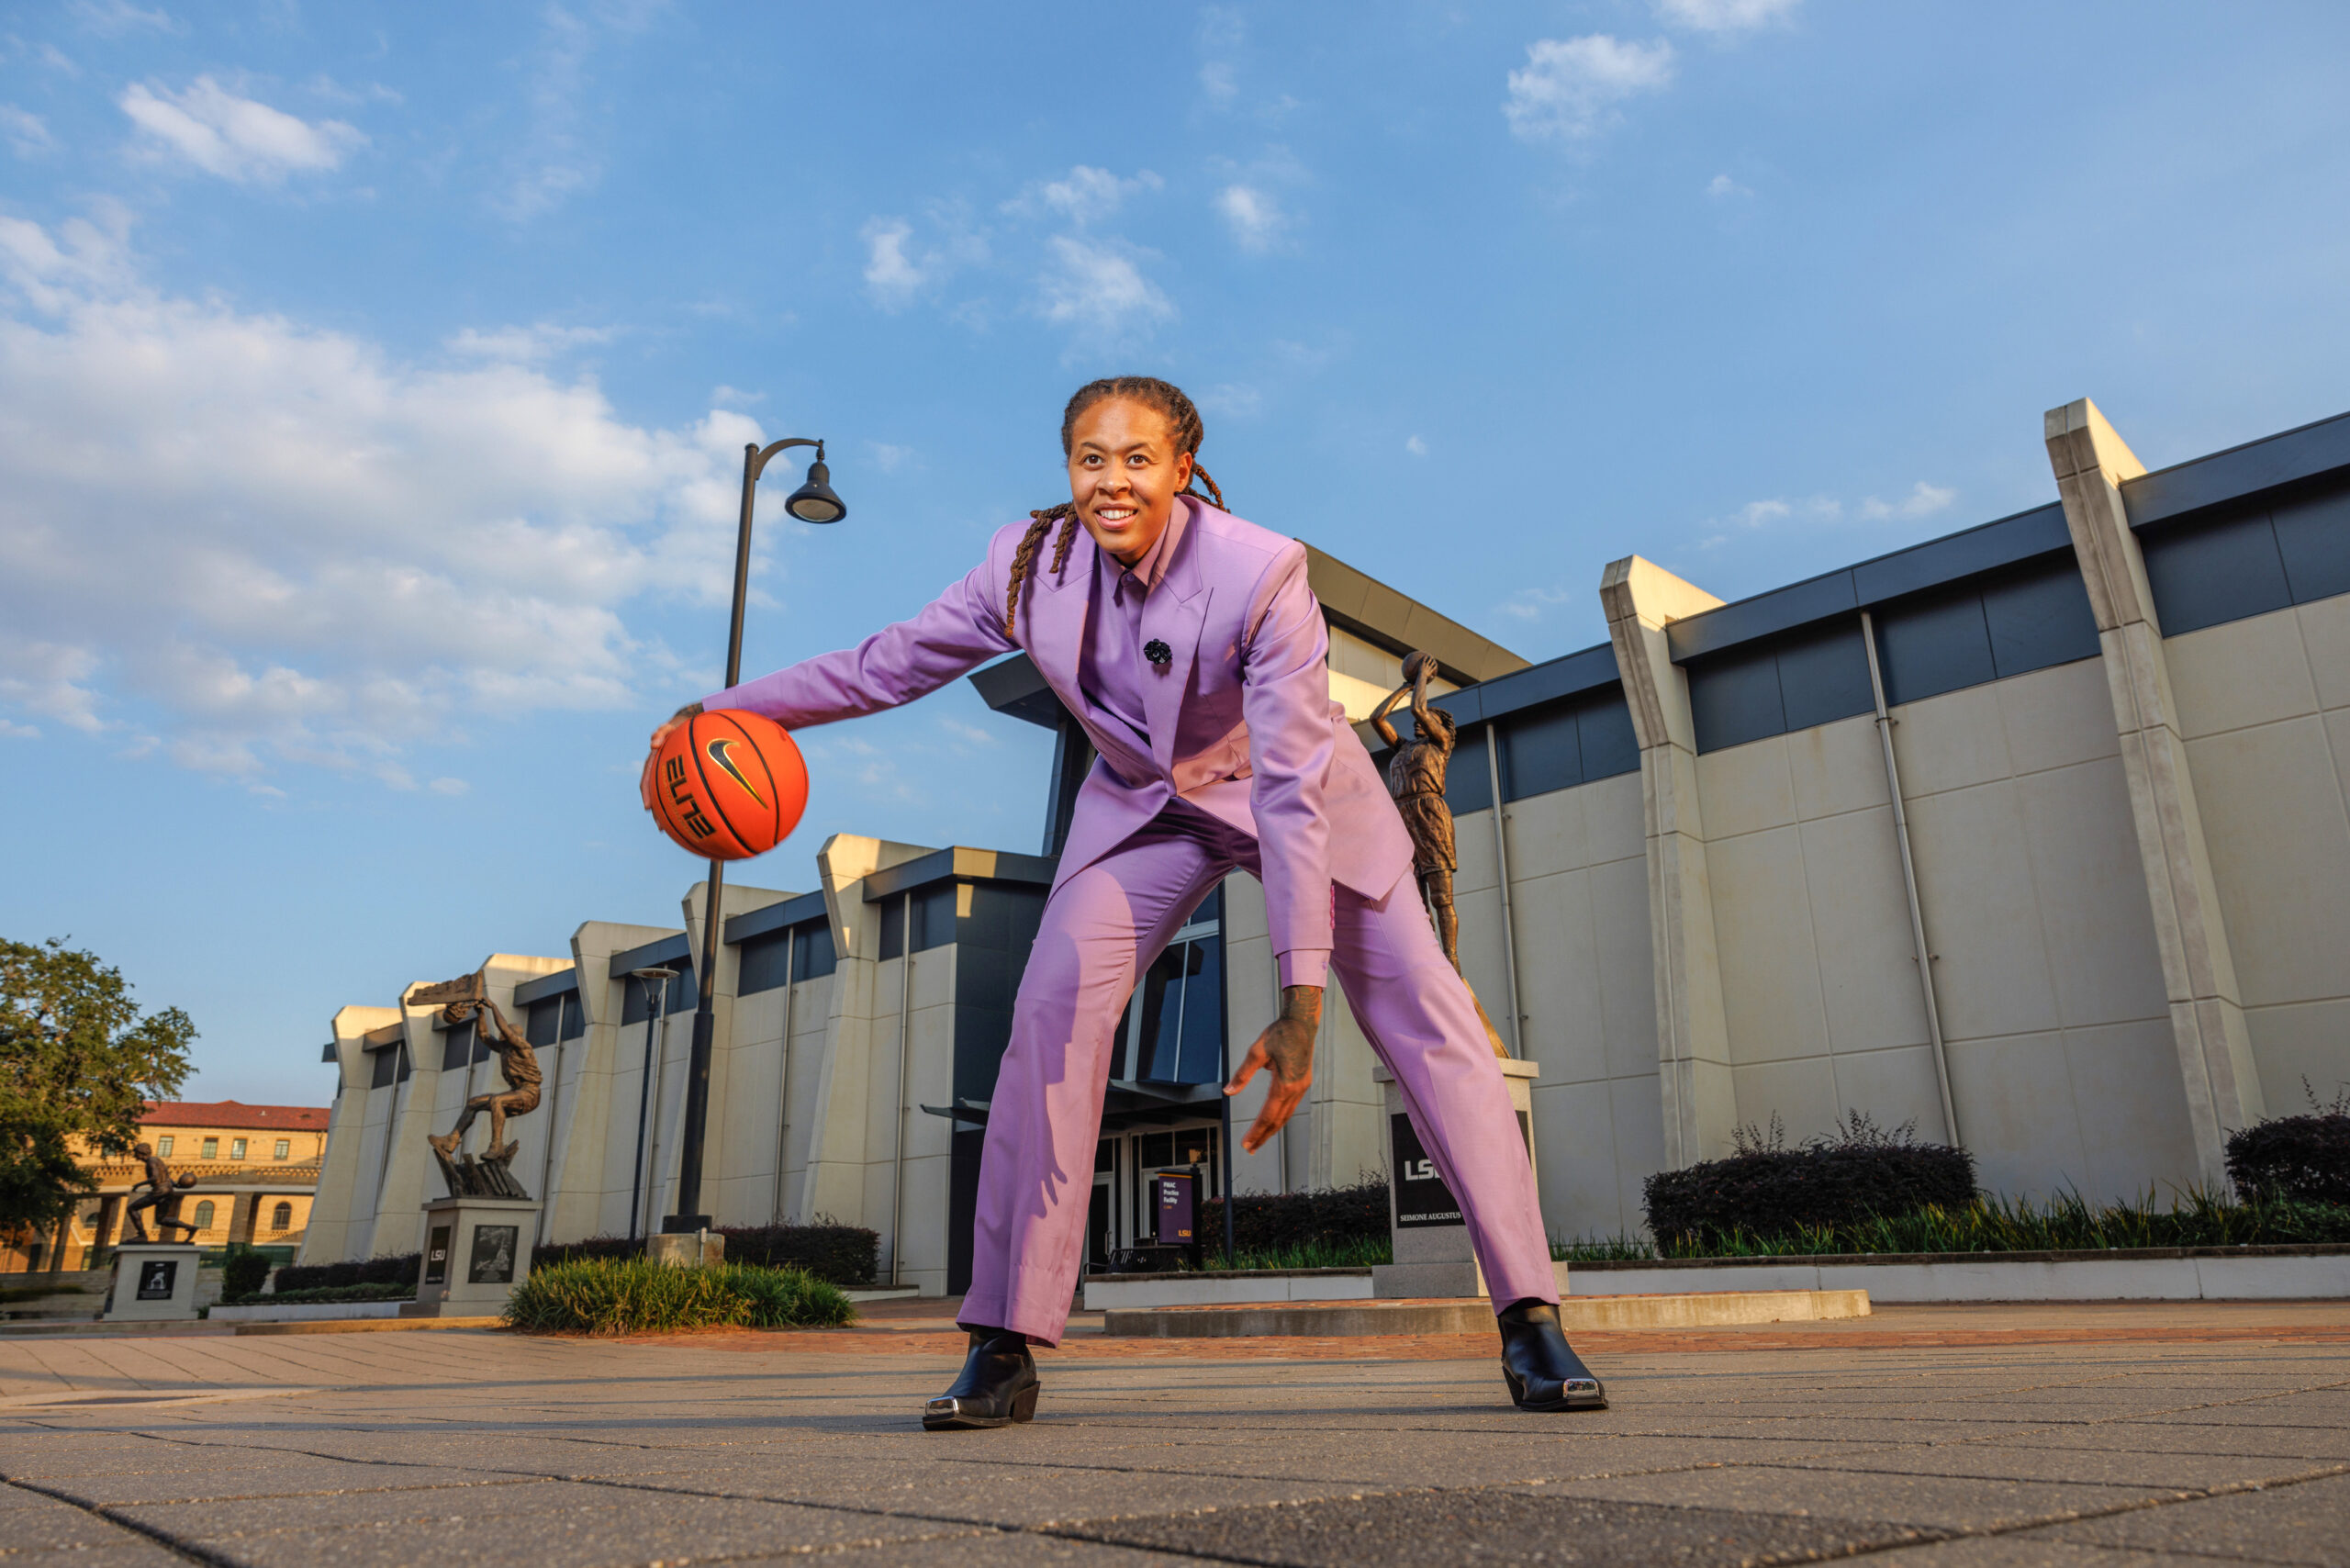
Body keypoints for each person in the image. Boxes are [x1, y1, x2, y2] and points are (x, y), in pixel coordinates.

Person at [643, 376, 1605, 1425]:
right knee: (1051, 1011)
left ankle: (1529, 1315)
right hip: (1147, 812)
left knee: (1436, 1024)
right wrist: (724, 710)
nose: (1112, 480)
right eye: (1090, 459)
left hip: (1298, 804)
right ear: (1068, 470)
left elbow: (1286, 789)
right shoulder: (1025, 568)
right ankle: (1002, 1340)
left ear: (1182, 467)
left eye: (1137, 458)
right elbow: (890, 664)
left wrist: (1301, 997)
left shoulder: (1260, 570)